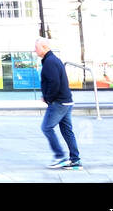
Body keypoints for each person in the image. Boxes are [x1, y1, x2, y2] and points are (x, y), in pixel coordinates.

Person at [35, 37, 82, 169]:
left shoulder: (50, 62)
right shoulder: (52, 60)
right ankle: (75, 160)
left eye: (36, 47)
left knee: (46, 127)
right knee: (67, 131)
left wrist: (48, 97)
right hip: (66, 101)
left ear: (44, 47)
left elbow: (54, 82)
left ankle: (60, 156)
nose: (35, 50)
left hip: (59, 102)